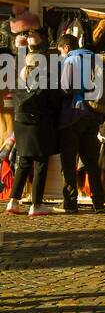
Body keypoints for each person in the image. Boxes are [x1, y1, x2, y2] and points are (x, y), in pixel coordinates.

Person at [55, 31, 105, 214]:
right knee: (91, 161)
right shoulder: (97, 59)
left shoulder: (71, 60)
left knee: (69, 161)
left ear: (67, 47)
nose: (62, 55)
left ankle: (70, 202)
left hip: (74, 115)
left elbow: (65, 88)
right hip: (94, 115)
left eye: (61, 51)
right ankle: (98, 201)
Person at [5, 52, 61, 216]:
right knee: (40, 164)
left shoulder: (18, 80)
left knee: (23, 162)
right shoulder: (47, 80)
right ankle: (36, 205)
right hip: (39, 125)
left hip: (21, 125)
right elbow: (55, 103)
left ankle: (13, 202)